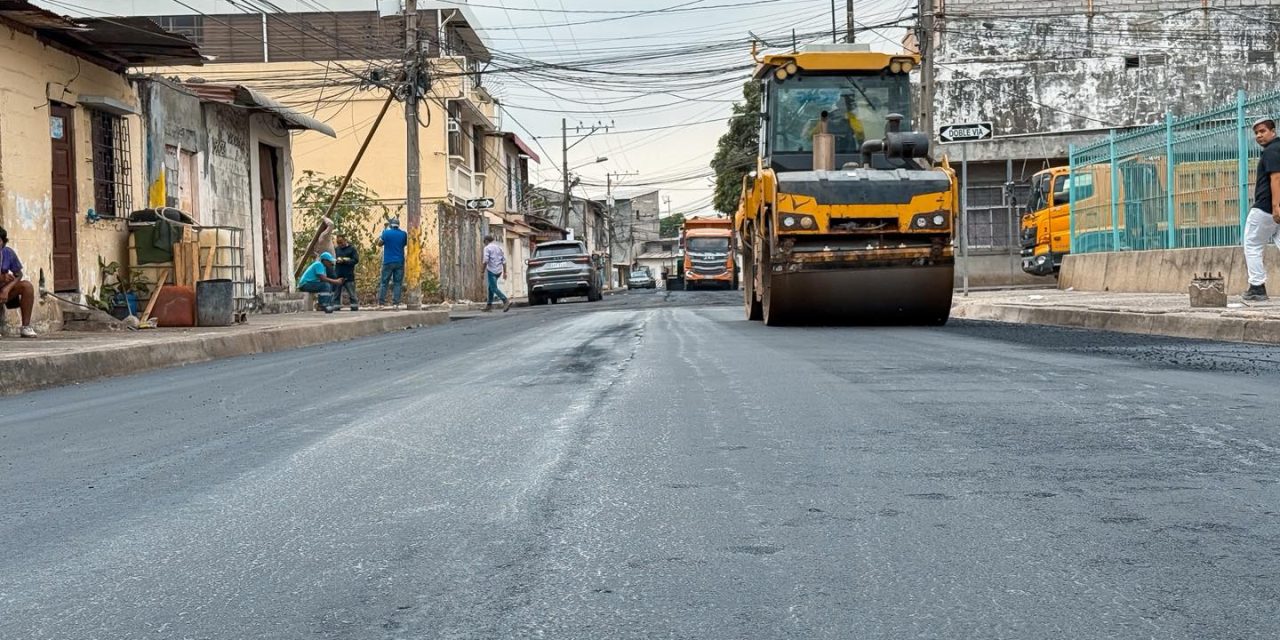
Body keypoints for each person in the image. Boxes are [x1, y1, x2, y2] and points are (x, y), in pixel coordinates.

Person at [1245, 117, 1280, 301]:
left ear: (1273, 131)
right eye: (1256, 133)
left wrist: (1275, 206)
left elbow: (1276, 178)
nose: (1259, 135)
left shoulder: (1271, 151)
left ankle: (1257, 287)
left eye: (1263, 131)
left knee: (1252, 244)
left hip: (1266, 208)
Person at [0, 226, 37, 338]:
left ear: (3, 242)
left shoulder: (7, 253)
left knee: (27, 286)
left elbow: (18, 274)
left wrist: (7, 289)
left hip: (2, 291)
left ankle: (26, 327)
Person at [376, 217, 408, 310]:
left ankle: (381, 304)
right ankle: (395, 304)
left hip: (388, 261)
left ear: (391, 225)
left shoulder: (386, 233)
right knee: (397, 283)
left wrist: (382, 234)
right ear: (398, 225)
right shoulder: (403, 234)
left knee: (384, 283)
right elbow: (404, 244)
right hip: (399, 261)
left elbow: (379, 244)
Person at [482, 235, 512, 312]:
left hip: (491, 271)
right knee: (490, 288)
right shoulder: (499, 248)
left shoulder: (487, 248)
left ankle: (505, 300)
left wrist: (482, 271)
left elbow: (485, 260)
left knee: (493, 288)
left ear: (486, 241)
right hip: (499, 271)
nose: (484, 243)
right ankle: (489, 305)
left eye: (484, 241)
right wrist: (505, 272)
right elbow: (504, 261)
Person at [333, 235, 360, 311]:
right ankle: (336, 307)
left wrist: (344, 261)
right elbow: (332, 259)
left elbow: (355, 260)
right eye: (338, 243)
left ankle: (354, 307)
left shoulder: (352, 249)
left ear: (345, 240)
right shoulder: (336, 250)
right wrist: (336, 261)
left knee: (352, 293)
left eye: (341, 242)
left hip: (348, 275)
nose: (340, 244)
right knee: (336, 293)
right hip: (338, 275)